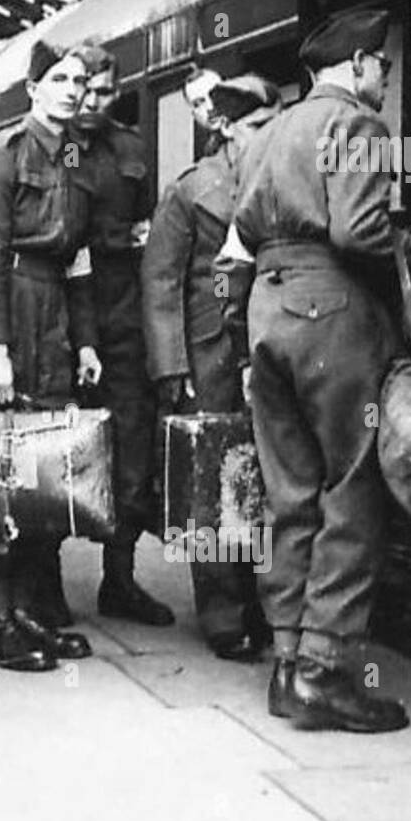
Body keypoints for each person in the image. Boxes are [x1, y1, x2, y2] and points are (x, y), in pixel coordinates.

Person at [233, 8, 409, 732]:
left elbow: (243, 228)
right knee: (353, 485)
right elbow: (359, 230)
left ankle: (284, 663)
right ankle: (325, 671)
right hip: (331, 310)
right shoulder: (358, 126)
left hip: (267, 311)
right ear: (361, 64)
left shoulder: (271, 130)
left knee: (290, 490)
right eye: (384, 70)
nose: (385, 84)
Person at [0, 41, 101, 670]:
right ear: (33, 89)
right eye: (59, 80)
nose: (72, 89)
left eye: (80, 81)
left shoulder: (72, 158)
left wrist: (87, 340)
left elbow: (80, 261)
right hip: (6, 307)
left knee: (44, 468)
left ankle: (33, 613)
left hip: (53, 313)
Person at [142, 74, 281, 660]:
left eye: (268, 126)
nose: (261, 137)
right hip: (211, 350)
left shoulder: (280, 174)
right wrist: (172, 366)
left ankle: (265, 603)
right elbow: (160, 279)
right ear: (225, 127)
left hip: (268, 341)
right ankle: (222, 612)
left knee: (267, 474)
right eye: (252, 127)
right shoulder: (190, 190)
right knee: (215, 477)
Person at [70, 44, 174, 629]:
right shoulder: (57, 148)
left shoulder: (133, 150)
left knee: (131, 445)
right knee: (59, 445)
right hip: (67, 310)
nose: (92, 100)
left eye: (104, 91)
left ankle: (120, 577)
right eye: (84, 89)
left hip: (125, 313)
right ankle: (42, 583)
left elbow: (147, 228)